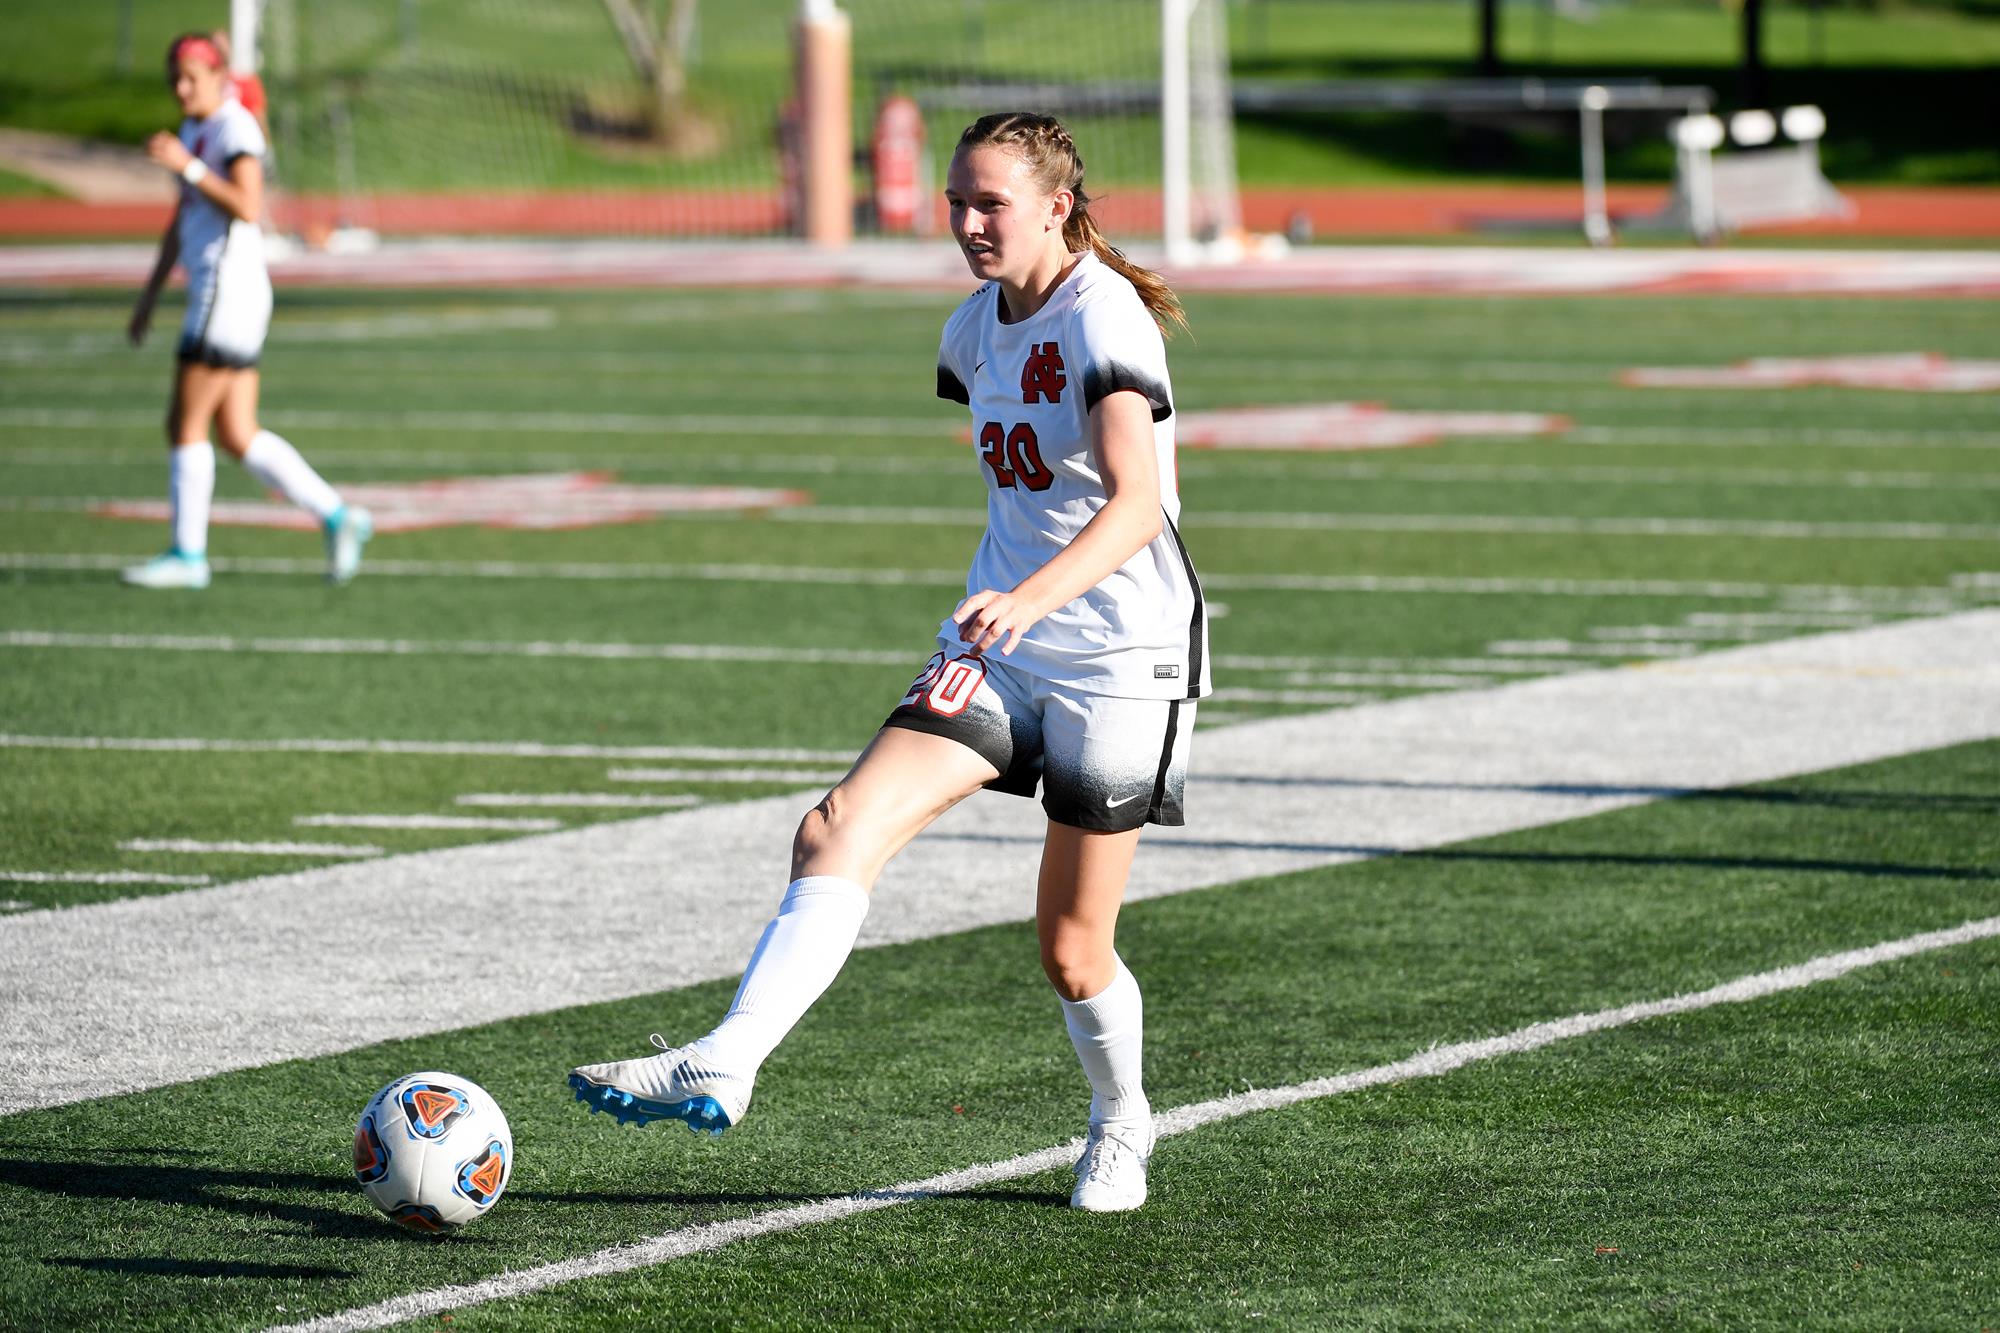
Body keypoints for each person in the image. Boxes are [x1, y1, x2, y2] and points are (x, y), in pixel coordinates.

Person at [570, 112, 1208, 1213]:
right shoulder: (970, 331)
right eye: (956, 201)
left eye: (988, 203)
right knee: (834, 825)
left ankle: (1121, 1121)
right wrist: (1004, 603)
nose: (963, 222)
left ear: (1057, 204)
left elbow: (1138, 504)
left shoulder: (1105, 316)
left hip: (1121, 656)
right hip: (1004, 647)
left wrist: (1025, 595)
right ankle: (729, 1052)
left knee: (1067, 948)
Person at [123, 33, 371, 590]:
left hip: (226, 290)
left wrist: (187, 167)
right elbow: (181, 222)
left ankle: (189, 555)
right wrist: (149, 294)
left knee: (184, 422)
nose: (181, 88)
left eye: (191, 77)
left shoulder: (233, 127)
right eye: (175, 78)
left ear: (218, 77)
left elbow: (249, 205)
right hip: (224, 291)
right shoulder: (196, 129)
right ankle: (338, 515)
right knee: (236, 432)